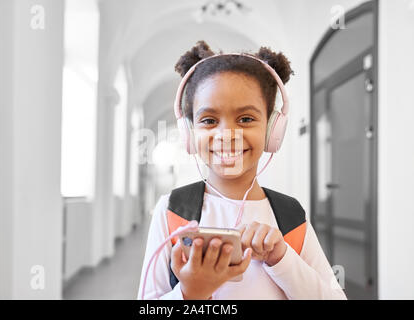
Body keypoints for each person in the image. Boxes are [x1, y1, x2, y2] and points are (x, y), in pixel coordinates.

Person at [137, 40, 347, 300]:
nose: (227, 135)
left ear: (272, 129)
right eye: (209, 120)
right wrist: (190, 293)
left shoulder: (290, 217)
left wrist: (282, 259)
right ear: (190, 133)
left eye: (246, 119)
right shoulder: (172, 211)